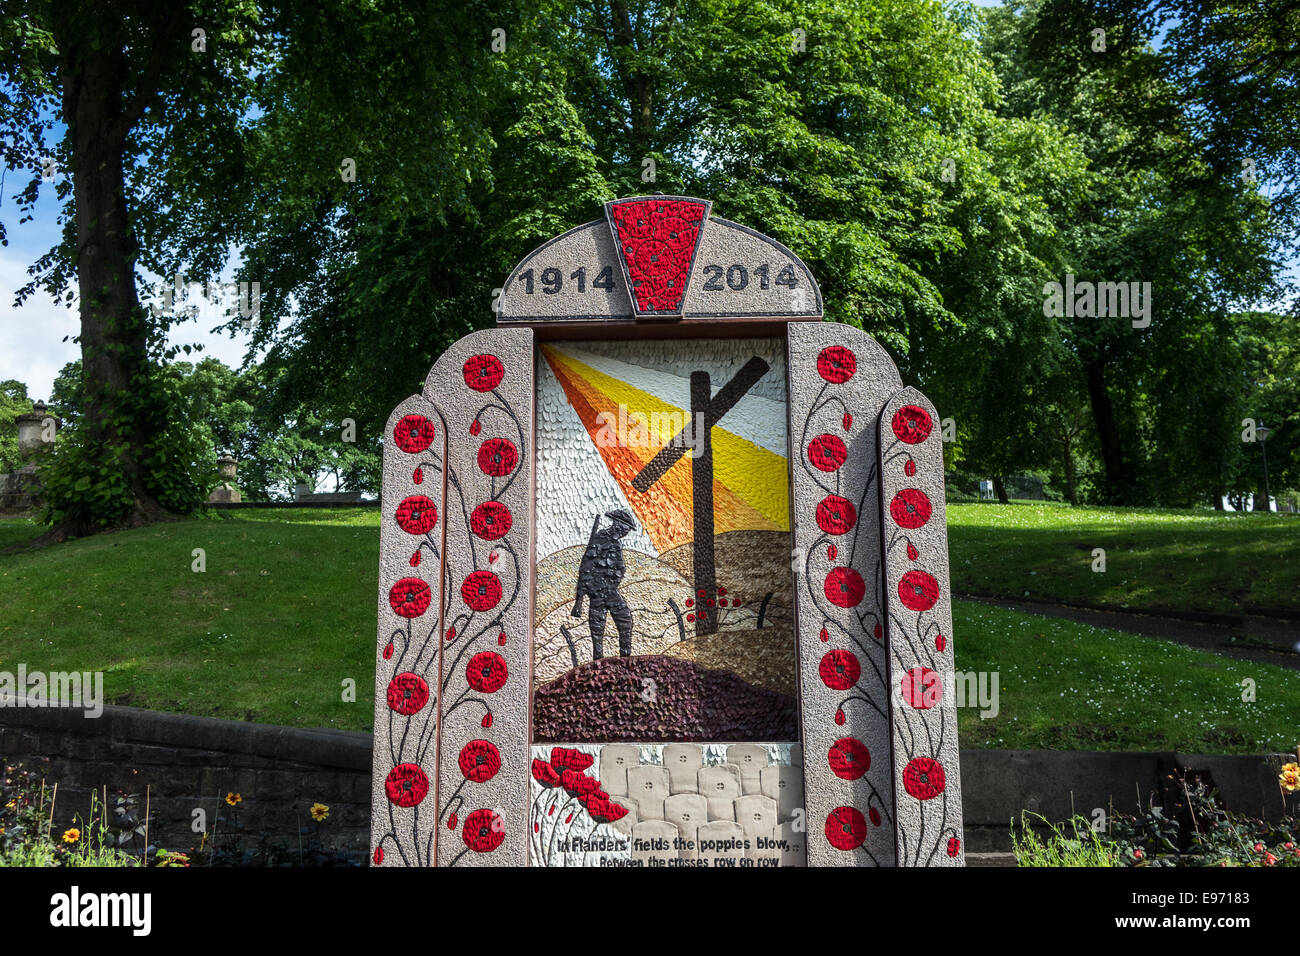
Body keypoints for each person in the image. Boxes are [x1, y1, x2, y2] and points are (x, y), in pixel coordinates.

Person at [572, 509, 636, 659]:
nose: (626, 533)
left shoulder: (615, 543)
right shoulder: (601, 538)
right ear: (619, 526)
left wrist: (614, 581)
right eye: (626, 529)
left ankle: (625, 660)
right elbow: (585, 568)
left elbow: (619, 567)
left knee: (625, 620)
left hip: (610, 591)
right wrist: (580, 599)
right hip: (599, 592)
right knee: (598, 629)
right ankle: (599, 662)